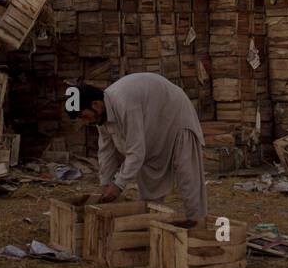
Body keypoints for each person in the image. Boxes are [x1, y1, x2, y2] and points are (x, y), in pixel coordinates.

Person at [67, 73, 207, 218]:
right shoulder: (100, 116)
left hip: (176, 116)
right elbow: (106, 151)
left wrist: (118, 185)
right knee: (150, 190)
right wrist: (106, 183)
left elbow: (136, 152)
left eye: (83, 116)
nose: (84, 122)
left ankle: (197, 225)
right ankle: (152, 225)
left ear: (95, 104)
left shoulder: (125, 103)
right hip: (153, 125)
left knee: (188, 177)